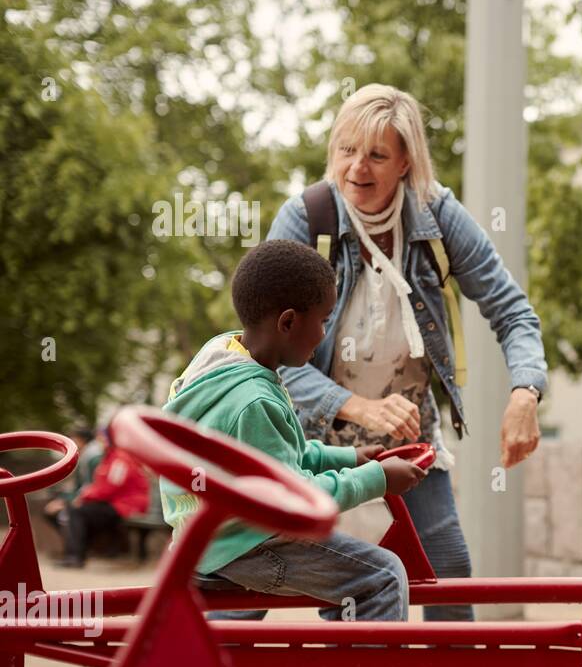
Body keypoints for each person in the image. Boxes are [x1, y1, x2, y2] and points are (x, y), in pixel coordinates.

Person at [266, 83, 548, 621]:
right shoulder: (308, 218)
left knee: (447, 569)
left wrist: (526, 390)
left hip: (405, 428)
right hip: (304, 427)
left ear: (405, 162)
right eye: (346, 150)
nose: (356, 169)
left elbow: (512, 311)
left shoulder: (437, 216)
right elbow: (266, 356)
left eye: (376, 154)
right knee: (259, 566)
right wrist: (355, 406)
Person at [159, 239, 428, 621]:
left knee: (329, 580)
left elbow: (280, 458)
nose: (323, 335)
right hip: (245, 545)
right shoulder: (255, 400)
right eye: (322, 320)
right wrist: (375, 480)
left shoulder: (224, 358)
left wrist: (350, 457)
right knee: (381, 576)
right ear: (287, 322)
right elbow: (295, 497)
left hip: (207, 541)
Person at [57, 430, 149, 569]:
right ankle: (77, 554)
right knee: (79, 511)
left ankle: (75, 557)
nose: (100, 442)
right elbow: (101, 485)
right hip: (117, 504)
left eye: (102, 439)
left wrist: (84, 497)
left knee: (77, 512)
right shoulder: (110, 457)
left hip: (127, 506)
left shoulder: (120, 459)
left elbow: (109, 488)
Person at [43, 426, 103, 534]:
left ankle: (76, 546)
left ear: (82, 440)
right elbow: (79, 486)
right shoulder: (84, 457)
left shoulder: (94, 458)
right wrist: (63, 500)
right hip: (84, 498)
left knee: (70, 513)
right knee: (51, 510)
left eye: (74, 438)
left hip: (92, 501)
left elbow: (93, 486)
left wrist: (67, 502)